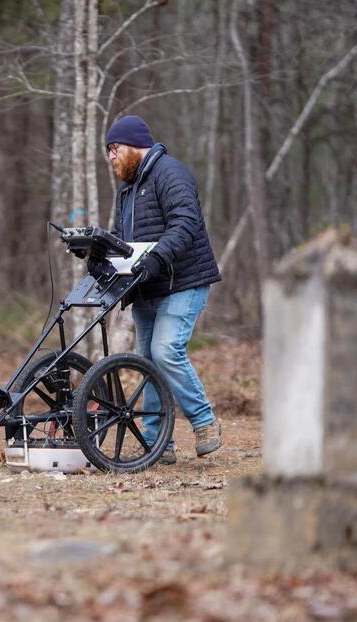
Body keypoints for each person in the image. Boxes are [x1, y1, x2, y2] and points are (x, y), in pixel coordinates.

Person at [102, 114, 222, 464]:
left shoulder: (170, 173)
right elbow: (120, 240)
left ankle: (205, 422)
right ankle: (157, 443)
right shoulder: (127, 190)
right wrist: (99, 257)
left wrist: (155, 258)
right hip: (148, 288)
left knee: (166, 350)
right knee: (148, 362)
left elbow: (185, 223)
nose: (111, 157)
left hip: (183, 282)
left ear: (134, 144)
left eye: (114, 148)